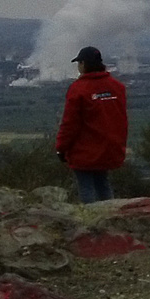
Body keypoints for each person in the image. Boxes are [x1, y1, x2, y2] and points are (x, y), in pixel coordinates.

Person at [55, 45, 129, 204]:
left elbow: (69, 124)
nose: (78, 66)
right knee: (103, 184)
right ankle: (109, 218)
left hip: (85, 152)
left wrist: (61, 148)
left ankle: (90, 222)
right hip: (109, 148)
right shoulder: (117, 87)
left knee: (86, 188)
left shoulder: (78, 89)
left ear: (83, 64)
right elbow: (121, 119)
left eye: (79, 63)